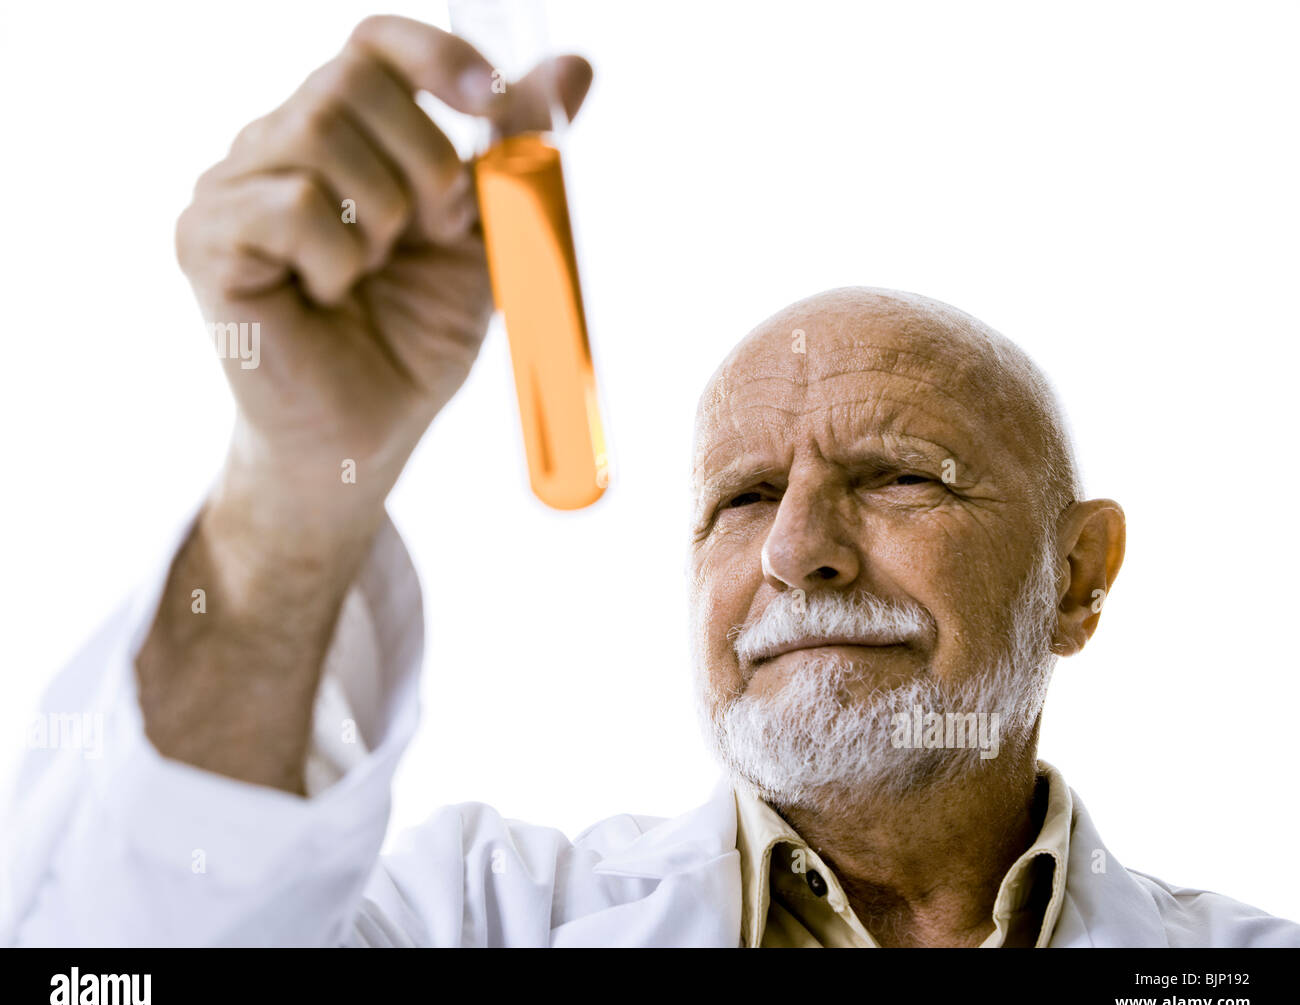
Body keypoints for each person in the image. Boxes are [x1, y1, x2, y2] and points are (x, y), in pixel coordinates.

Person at [4, 15, 1296, 948]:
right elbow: (118, 964)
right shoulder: (474, 917)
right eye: (739, 498)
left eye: (898, 476)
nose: (798, 550)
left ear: (1080, 577)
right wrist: (292, 490)